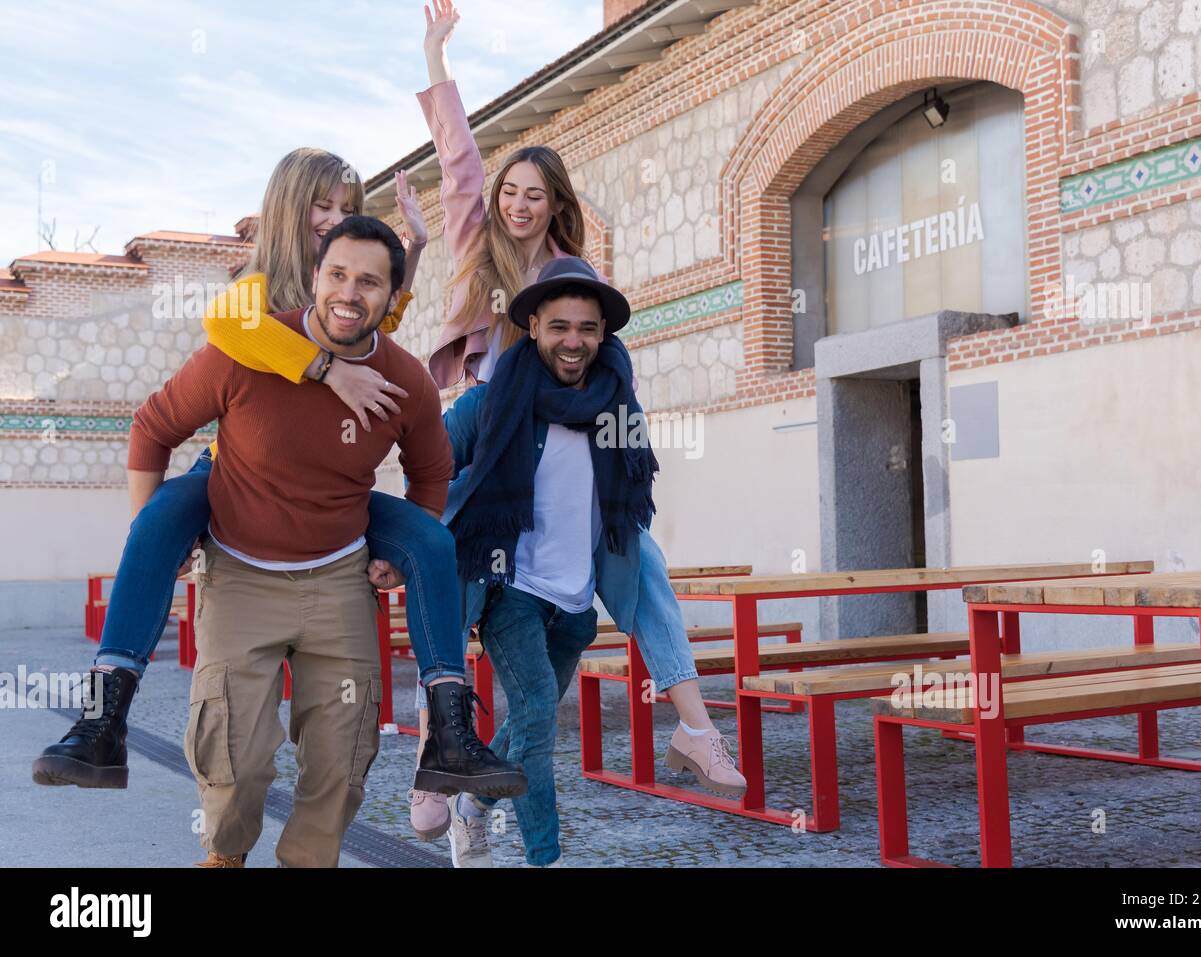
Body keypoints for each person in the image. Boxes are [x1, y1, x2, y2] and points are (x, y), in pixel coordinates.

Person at [32, 150, 521, 838]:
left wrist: (410, 247)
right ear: (290, 209)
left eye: (345, 206)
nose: (333, 219)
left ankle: (448, 728)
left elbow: (377, 315)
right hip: (230, 468)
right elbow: (229, 337)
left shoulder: (351, 284)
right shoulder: (255, 287)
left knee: (428, 538)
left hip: (331, 495)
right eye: (321, 206)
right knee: (158, 521)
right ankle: (105, 718)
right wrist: (326, 369)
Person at [402, 0, 746, 850]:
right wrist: (437, 58)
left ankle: (692, 721)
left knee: (640, 555)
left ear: (555, 205)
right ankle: (436, 758)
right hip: (490, 443)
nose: (517, 204)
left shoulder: (569, 276)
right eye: (510, 191)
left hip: (563, 446)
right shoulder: (479, 243)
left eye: (534, 195)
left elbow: (605, 360)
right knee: (442, 572)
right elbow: (457, 164)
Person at [441, 257, 665, 867]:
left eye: (588, 328)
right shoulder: (491, 403)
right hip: (513, 590)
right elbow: (426, 461)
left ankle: (474, 804)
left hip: (576, 604)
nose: (574, 341)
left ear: (602, 334)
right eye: (560, 325)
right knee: (539, 719)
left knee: (528, 726)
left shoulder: (615, 408)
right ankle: (547, 858)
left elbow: (632, 494)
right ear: (534, 325)